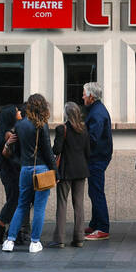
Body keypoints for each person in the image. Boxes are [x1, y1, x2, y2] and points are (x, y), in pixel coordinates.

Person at [2, 93, 57, 254]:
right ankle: (34, 242)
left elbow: (16, 152)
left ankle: (10, 240)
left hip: (25, 169)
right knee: (39, 208)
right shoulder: (42, 124)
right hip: (41, 169)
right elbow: (47, 151)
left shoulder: (19, 125)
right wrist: (56, 172)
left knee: (22, 205)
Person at [50, 101, 91, 248]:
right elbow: (88, 152)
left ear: (66, 114)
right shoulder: (84, 128)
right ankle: (79, 237)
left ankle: (59, 239)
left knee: (62, 203)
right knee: (78, 204)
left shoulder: (62, 129)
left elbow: (56, 150)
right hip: (81, 170)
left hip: (65, 171)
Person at [82, 82, 113, 241]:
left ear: (91, 97)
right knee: (93, 191)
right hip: (98, 157)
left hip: (97, 158)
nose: (82, 97)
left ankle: (102, 227)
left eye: (84, 94)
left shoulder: (96, 113)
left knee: (96, 191)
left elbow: (92, 139)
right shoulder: (96, 110)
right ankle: (95, 223)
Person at [0, 104, 22, 245]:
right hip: (11, 171)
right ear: (11, 116)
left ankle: (9, 230)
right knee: (14, 200)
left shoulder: (6, 131)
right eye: (17, 111)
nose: (20, 112)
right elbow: (8, 154)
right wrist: (8, 144)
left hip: (8, 171)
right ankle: (0, 227)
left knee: (13, 200)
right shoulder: (9, 134)